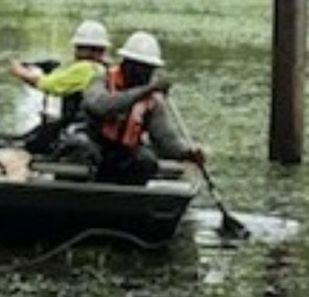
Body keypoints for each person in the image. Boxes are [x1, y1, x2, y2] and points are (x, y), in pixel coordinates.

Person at [59, 30, 206, 184]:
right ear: (126, 64)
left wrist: (188, 153)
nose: (143, 73)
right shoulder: (101, 79)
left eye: (148, 68)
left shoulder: (152, 98)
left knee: (146, 160)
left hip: (122, 152)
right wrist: (145, 90)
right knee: (82, 147)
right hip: (92, 141)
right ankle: (76, 193)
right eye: (139, 67)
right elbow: (101, 106)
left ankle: (126, 198)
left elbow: (164, 139)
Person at [9, 19, 110, 154]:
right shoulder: (103, 68)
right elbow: (57, 79)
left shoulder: (85, 69)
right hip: (91, 131)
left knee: (32, 143)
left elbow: (49, 84)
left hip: (76, 129)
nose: (76, 51)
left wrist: (20, 72)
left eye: (79, 47)